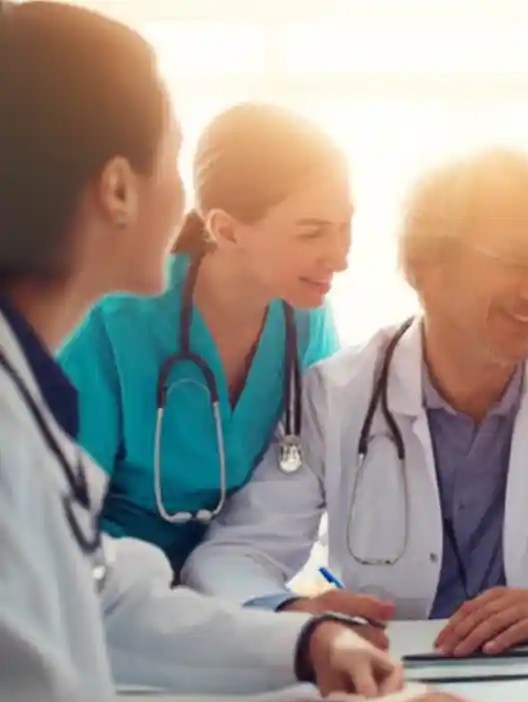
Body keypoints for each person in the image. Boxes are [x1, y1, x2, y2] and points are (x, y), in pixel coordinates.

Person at [0, 2, 476, 702]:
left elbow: (102, 597)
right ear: (119, 189)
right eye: (174, 149)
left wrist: (302, 644)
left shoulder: (23, 402)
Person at [182, 147, 528, 656]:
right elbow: (230, 558)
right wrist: (293, 615)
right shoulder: (338, 396)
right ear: (425, 269)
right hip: (391, 682)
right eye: (516, 261)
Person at [56, 101, 349, 576]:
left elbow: (301, 488)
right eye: (312, 233)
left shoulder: (304, 323)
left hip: (236, 584)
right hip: (107, 589)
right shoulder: (114, 321)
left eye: (345, 227)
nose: (339, 257)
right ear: (225, 229)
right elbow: (60, 518)